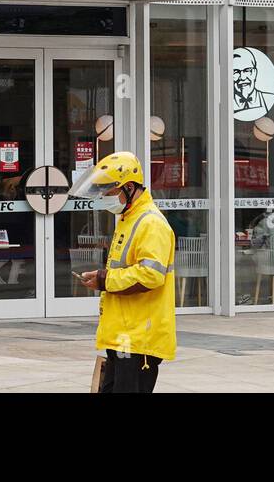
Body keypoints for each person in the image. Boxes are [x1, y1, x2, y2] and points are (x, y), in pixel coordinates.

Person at [73, 152, 177, 393]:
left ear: (129, 188)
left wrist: (104, 279)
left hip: (139, 338)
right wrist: (101, 278)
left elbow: (150, 275)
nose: (106, 198)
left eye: (109, 192)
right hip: (123, 334)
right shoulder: (127, 218)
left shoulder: (151, 223)